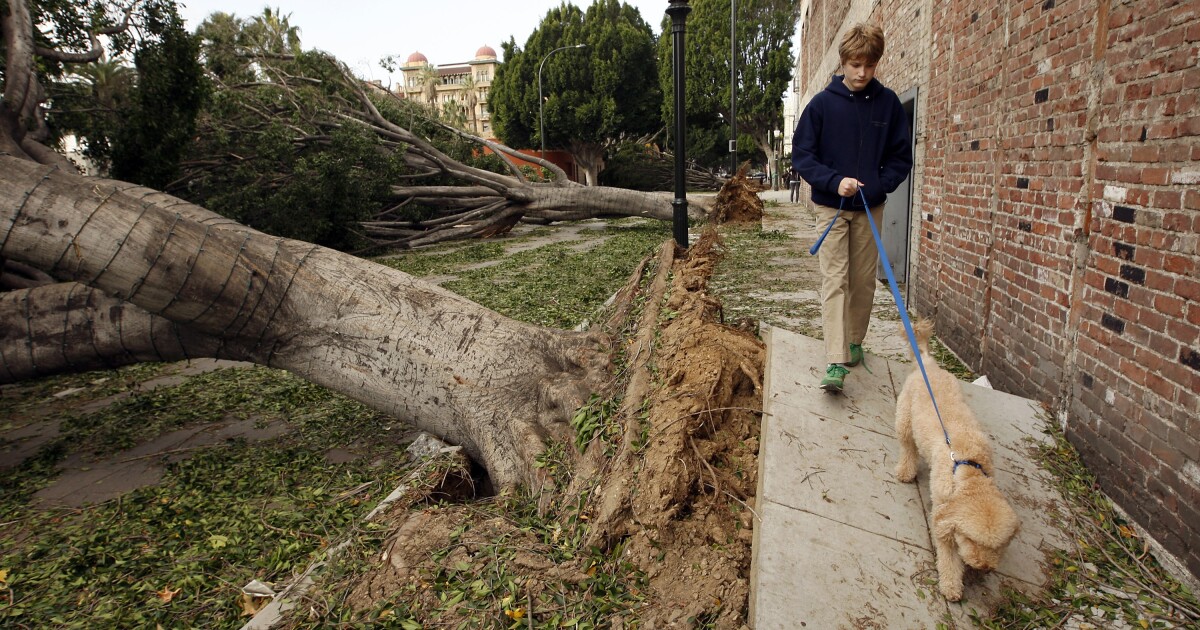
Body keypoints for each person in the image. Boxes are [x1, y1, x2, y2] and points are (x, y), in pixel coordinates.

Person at [791, 23, 913, 393]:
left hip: (870, 208)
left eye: (870, 65)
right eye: (856, 64)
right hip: (832, 208)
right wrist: (833, 181)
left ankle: (855, 340)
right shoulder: (821, 105)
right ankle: (835, 359)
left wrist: (876, 186)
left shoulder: (888, 103)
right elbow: (802, 156)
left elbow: (900, 158)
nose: (862, 73)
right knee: (835, 280)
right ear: (844, 61)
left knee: (862, 282)